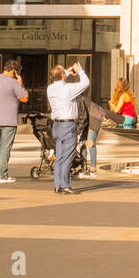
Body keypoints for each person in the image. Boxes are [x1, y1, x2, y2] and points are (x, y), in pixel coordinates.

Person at [46, 63, 89, 195]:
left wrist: (66, 72)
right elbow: (86, 83)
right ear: (63, 76)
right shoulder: (68, 89)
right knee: (67, 157)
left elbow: (58, 76)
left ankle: (58, 185)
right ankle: (65, 185)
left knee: (59, 156)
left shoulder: (50, 88)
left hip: (57, 125)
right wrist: (80, 71)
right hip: (68, 125)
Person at [0, 60, 28, 184]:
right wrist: (21, 84)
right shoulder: (13, 83)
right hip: (9, 120)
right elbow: (24, 98)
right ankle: (2, 175)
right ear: (14, 71)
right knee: (5, 148)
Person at [76, 90, 110, 178]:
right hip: (87, 119)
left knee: (90, 143)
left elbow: (82, 117)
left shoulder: (78, 99)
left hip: (94, 118)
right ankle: (84, 167)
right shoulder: (73, 100)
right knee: (82, 142)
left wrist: (78, 132)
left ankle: (93, 168)